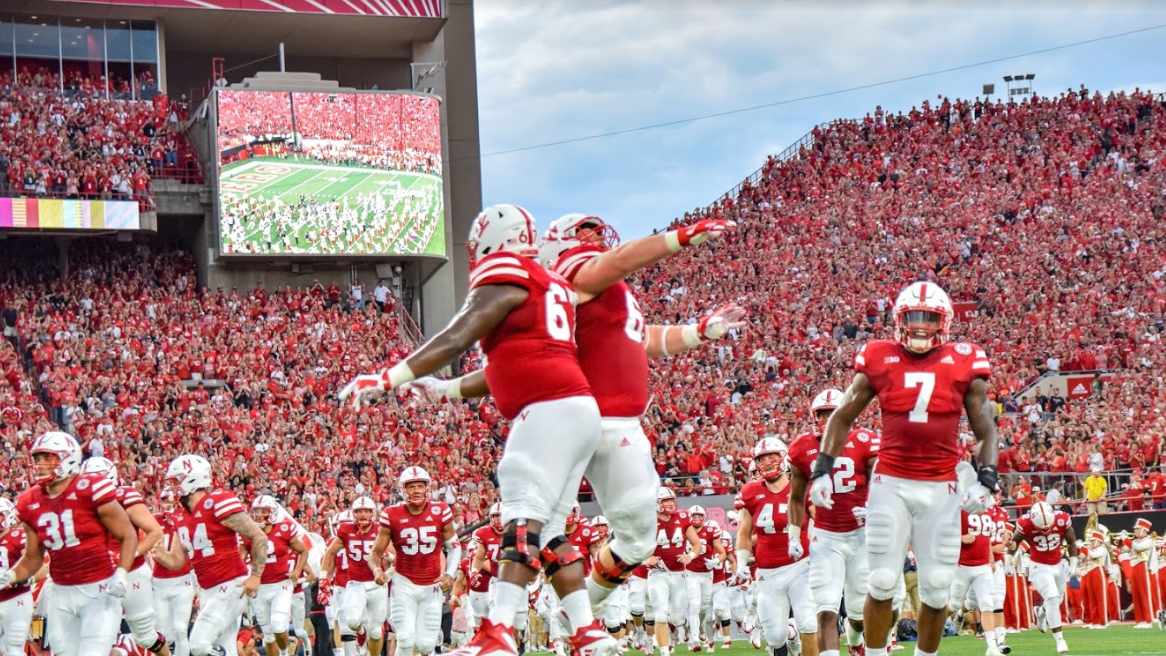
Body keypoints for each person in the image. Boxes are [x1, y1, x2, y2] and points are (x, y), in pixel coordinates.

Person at [339, 204, 669, 656]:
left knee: (522, 521)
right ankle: (587, 631)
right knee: (551, 533)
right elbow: (506, 366)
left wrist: (387, 377)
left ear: (492, 239)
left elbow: (458, 336)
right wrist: (446, 390)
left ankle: (497, 633)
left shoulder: (510, 273)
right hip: (578, 409)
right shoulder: (552, 287)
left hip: (547, 410)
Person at [402, 212, 741, 619]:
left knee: (638, 542)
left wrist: (697, 332)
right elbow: (615, 263)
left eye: (597, 233)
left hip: (618, 426)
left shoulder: (605, 296)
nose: (596, 238)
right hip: (573, 417)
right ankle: (505, 626)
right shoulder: (569, 276)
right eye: (585, 232)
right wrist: (678, 238)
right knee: (539, 526)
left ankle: (576, 611)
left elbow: (641, 337)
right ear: (558, 245)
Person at [813, 281, 999, 656]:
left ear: (943, 322)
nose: (920, 326)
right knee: (881, 581)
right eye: (913, 317)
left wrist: (987, 476)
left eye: (928, 318)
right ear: (899, 319)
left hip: (941, 486)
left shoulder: (965, 358)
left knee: (938, 583)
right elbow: (843, 415)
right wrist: (822, 467)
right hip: (891, 483)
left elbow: (984, 423)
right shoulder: (879, 356)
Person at [5, 431, 138, 656]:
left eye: (48, 458)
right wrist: (9, 576)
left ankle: (125, 647)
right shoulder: (29, 501)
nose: (41, 465)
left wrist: (122, 573)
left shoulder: (90, 487)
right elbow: (32, 558)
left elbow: (128, 535)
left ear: (68, 458)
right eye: (38, 459)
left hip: (98, 587)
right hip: (60, 593)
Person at [787, 388, 879, 656]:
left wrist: (873, 510)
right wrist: (793, 535)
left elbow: (883, 483)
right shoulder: (802, 447)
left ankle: (855, 640)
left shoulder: (865, 440)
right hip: (826, 538)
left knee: (858, 614)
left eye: (833, 413)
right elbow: (796, 497)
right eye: (823, 414)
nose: (828, 419)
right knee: (825, 610)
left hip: (861, 537)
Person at [152, 454, 268, 656]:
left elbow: (258, 536)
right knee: (228, 649)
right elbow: (178, 561)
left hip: (231, 585)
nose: (173, 486)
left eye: (176, 480)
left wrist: (256, 576)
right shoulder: (182, 517)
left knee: (198, 645)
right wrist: (161, 555)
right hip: (208, 591)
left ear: (193, 478)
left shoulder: (216, 501)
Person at [79, 457, 169, 655]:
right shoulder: (78, 504)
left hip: (132, 573)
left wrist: (127, 555)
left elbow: (155, 532)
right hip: (98, 576)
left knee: (146, 637)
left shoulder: (124, 496)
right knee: (97, 637)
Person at [735, 438, 816, 656]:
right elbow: (744, 532)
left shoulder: (802, 488)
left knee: (809, 623)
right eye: (762, 458)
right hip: (767, 572)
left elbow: (819, 523)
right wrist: (741, 560)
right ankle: (788, 635)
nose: (767, 462)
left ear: (784, 458)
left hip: (802, 566)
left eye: (772, 456)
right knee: (774, 636)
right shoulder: (750, 492)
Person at [370, 466, 461, 656]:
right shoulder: (391, 513)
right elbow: (375, 552)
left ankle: (432, 636)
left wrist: (450, 574)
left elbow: (454, 547)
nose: (417, 490)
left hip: (432, 584)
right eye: (412, 487)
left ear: (427, 488)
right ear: (404, 490)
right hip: (404, 582)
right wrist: (376, 570)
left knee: (425, 647)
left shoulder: (441, 510)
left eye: (420, 486)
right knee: (404, 638)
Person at [320, 497, 388, 656]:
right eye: (359, 511)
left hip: (376, 585)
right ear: (353, 514)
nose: (363, 515)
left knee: (376, 631)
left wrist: (388, 565)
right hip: (354, 583)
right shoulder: (345, 529)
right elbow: (329, 553)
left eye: (366, 511)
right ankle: (360, 632)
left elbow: (396, 555)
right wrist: (324, 579)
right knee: (351, 621)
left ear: (373, 513)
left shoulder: (381, 529)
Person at [246, 495, 312, 656]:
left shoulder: (283, 529)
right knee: (268, 634)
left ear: (273, 513)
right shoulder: (248, 532)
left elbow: (303, 551)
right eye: (256, 511)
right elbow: (240, 558)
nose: (259, 515)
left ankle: (284, 652)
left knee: (278, 625)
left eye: (263, 511)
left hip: (281, 585)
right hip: (259, 586)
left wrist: (297, 571)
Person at [1010, 500, 1076, 652]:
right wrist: (1008, 562)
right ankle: (1060, 640)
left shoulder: (1062, 518)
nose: (1046, 529)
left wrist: (1073, 564)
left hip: (1057, 564)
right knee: (1052, 599)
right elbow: (1015, 542)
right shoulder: (1025, 523)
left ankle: (1040, 612)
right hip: (1038, 565)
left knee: (1057, 600)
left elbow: (1071, 542)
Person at [646, 487, 701, 656]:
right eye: (666, 501)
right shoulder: (647, 521)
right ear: (656, 503)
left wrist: (690, 555)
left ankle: (681, 626)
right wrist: (645, 559)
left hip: (679, 575)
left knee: (677, 619)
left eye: (671, 500)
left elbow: (697, 544)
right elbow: (634, 548)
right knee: (660, 614)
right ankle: (665, 652)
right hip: (657, 574)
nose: (670, 504)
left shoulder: (682, 517)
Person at [947, 509, 1002, 656]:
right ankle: (935, 622)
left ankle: (992, 647)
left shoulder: (987, 512)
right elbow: (941, 532)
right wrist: (960, 537)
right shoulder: (959, 510)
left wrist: (991, 559)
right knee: (954, 604)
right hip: (962, 567)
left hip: (983, 567)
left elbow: (987, 539)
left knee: (987, 604)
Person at [152, 489, 196, 656]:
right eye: (164, 500)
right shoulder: (155, 520)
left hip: (182, 579)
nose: (168, 505)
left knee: (180, 629)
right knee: (162, 633)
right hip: (159, 581)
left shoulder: (187, 520)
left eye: (171, 501)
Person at [683, 505, 726, 652]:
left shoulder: (710, 531)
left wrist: (715, 561)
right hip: (690, 573)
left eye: (700, 516)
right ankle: (695, 639)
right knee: (694, 605)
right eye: (694, 516)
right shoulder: (684, 531)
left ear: (704, 518)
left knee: (703, 607)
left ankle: (700, 628)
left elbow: (723, 553)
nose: (697, 519)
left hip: (707, 574)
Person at [0, 497, 37, 656]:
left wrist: (19, 580)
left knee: (14, 649)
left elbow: (37, 564)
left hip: (16, 600)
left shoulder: (17, 536)